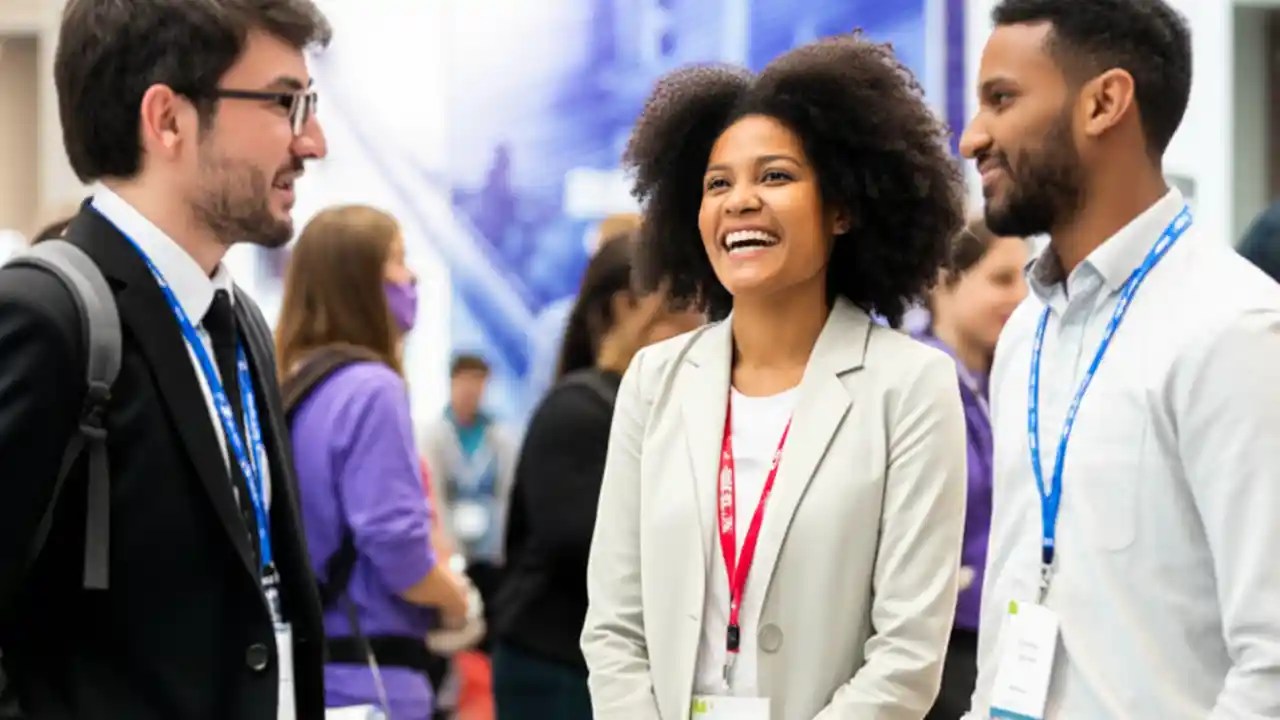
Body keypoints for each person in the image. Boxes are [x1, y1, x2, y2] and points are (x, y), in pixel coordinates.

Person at [581, 35, 970, 720]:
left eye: (776, 177)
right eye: (717, 183)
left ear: (843, 207)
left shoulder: (912, 386)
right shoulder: (655, 379)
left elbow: (906, 656)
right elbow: (614, 627)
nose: (740, 201)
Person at [0, 1, 332, 719]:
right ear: (169, 119)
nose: (314, 141)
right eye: (286, 102)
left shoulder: (237, 321)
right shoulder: (46, 317)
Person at [960, 1, 1280, 718]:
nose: (971, 137)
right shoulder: (1026, 334)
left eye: (1002, 100)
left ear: (1105, 102)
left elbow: (1273, 661)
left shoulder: (1235, 328)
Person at [493, 232, 703, 719]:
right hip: (557, 663)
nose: (700, 320)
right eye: (681, 302)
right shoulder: (579, 407)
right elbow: (586, 544)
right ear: (626, 308)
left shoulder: (661, 411)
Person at [276, 204, 470, 720]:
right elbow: (396, 546)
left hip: (307, 674)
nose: (412, 278)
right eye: (399, 261)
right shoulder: (372, 389)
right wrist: (458, 599)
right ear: (360, 281)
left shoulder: (292, 384)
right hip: (372, 677)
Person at [917, 220, 1028, 720]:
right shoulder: (914, 382)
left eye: (1026, 278)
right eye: (1002, 280)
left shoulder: (1006, 377)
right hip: (940, 641)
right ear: (945, 279)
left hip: (1002, 629)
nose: (1022, 295)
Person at [419, 354, 518, 652]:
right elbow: (433, 493)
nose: (471, 390)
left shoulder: (500, 437)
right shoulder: (435, 435)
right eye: (466, 381)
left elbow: (507, 493)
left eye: (479, 382)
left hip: (490, 553)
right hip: (451, 552)